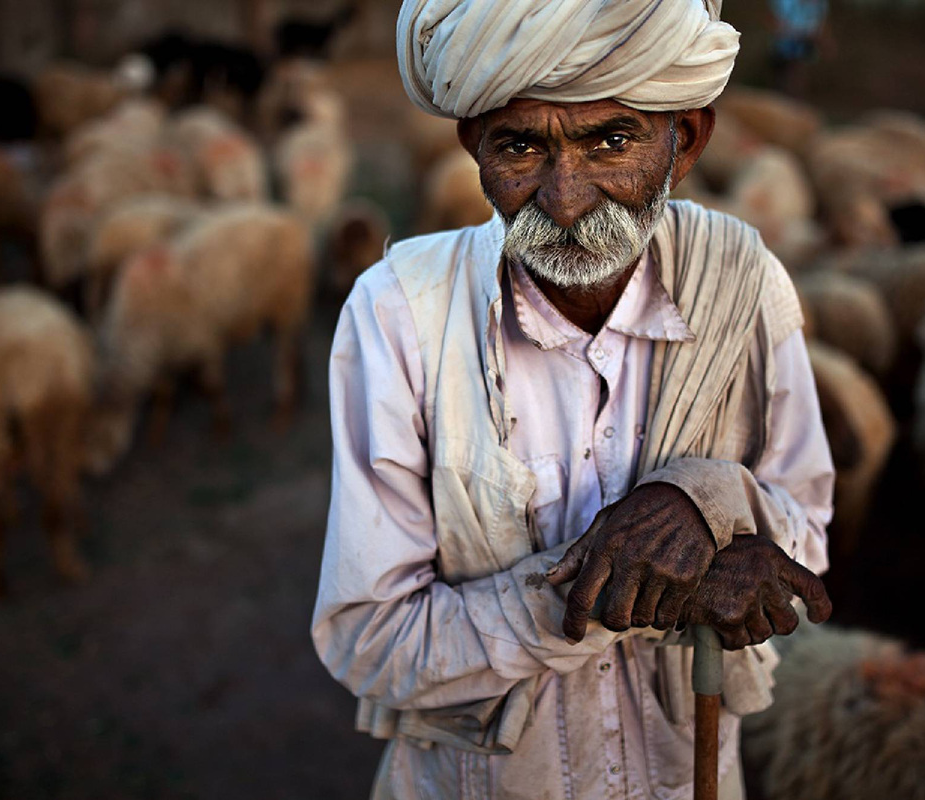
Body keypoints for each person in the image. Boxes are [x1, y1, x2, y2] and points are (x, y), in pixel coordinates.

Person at [312, 1, 835, 797]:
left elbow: (805, 532)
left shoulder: (743, 282)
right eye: (520, 147)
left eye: (612, 143)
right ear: (474, 145)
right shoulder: (400, 312)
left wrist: (707, 500)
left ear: (687, 140)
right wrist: (610, 578)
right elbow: (374, 641)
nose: (565, 198)